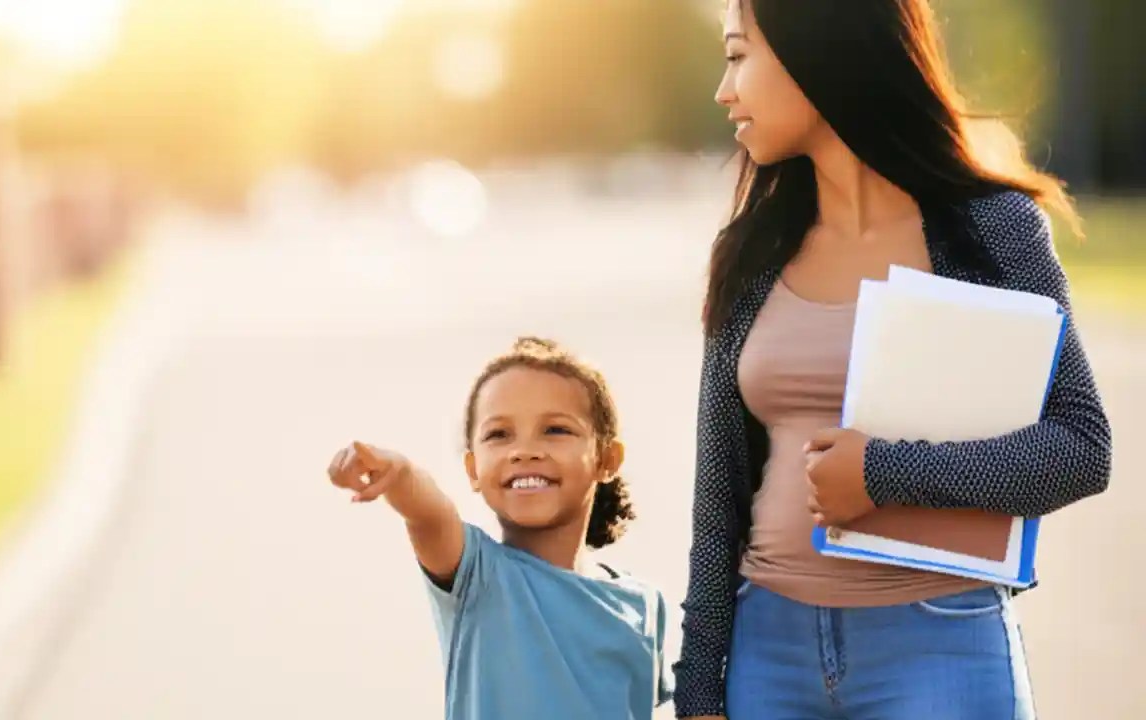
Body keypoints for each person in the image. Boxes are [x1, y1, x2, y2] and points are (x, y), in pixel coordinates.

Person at [672, 1, 1113, 719]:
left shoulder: (991, 230)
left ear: (816, 49)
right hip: (767, 653)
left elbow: (1080, 448)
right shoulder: (749, 251)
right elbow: (719, 499)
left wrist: (882, 474)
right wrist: (697, 691)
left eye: (737, 56)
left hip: (937, 647)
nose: (725, 90)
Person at [327, 337, 673, 719]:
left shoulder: (643, 603)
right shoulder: (477, 574)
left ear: (607, 459)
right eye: (499, 434)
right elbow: (430, 514)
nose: (524, 450)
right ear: (473, 469)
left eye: (555, 430)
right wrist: (400, 474)